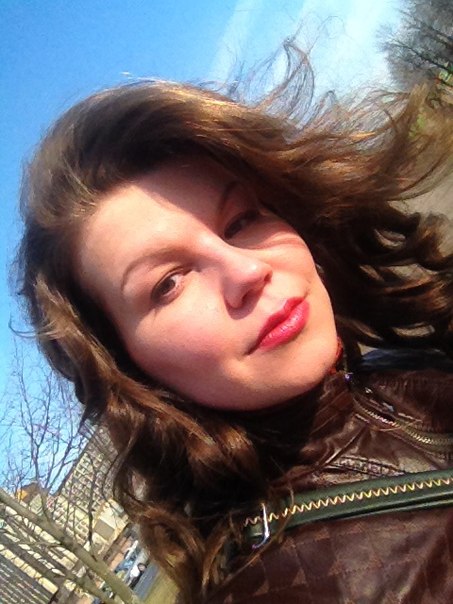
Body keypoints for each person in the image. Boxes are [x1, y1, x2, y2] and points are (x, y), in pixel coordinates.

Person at [17, 47, 453, 603]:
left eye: (242, 219)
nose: (247, 270)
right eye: (168, 283)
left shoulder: (391, 362)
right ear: (128, 368)